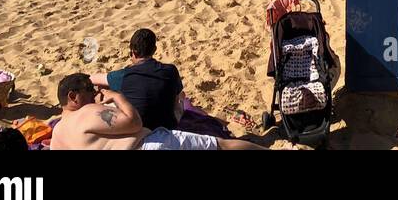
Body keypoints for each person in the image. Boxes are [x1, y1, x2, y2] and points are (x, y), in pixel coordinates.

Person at [51, 74, 262, 150]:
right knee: (222, 146)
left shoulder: (56, 138)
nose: (95, 93)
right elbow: (133, 122)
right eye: (89, 90)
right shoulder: (88, 112)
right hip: (151, 146)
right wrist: (117, 97)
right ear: (72, 97)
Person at [89, 28, 185, 132]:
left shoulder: (123, 75)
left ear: (132, 52)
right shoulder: (171, 70)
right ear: (154, 50)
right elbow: (176, 98)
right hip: (168, 127)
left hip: (138, 129)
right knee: (180, 96)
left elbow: (92, 79)